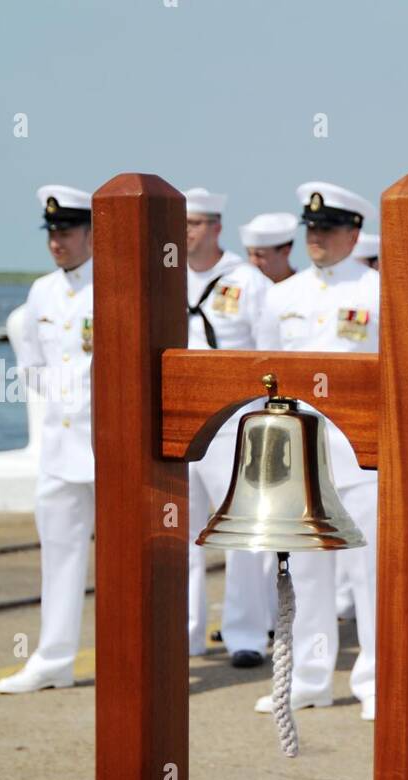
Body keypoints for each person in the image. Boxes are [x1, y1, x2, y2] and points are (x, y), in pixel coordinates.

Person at [254, 182, 380, 722]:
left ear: (354, 231)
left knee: (368, 573)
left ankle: (375, 680)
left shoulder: (381, 291)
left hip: (359, 452)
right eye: (311, 230)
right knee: (304, 571)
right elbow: (264, 373)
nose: (318, 239)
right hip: (300, 451)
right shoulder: (282, 296)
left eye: (328, 229)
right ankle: (309, 676)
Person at [0, 186, 96, 694]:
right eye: (52, 233)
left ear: (91, 233)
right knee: (58, 555)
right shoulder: (42, 292)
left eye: (68, 231)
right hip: (59, 452)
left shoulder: (115, 287)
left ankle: (132, 658)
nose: (58, 242)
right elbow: (33, 365)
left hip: (107, 450)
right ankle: (54, 658)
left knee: (128, 562)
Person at [183, 188, 275, 669]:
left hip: (235, 423)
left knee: (239, 530)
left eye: (196, 223)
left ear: (216, 226)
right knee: (180, 529)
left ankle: (245, 633)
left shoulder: (247, 281)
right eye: (182, 223)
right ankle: (187, 631)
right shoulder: (167, 276)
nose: (187, 232)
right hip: (181, 419)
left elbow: (271, 353)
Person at [239, 212, 297, 283]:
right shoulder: (245, 289)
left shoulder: (305, 289)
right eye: (249, 254)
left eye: (259, 255)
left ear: (285, 252)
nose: (253, 262)